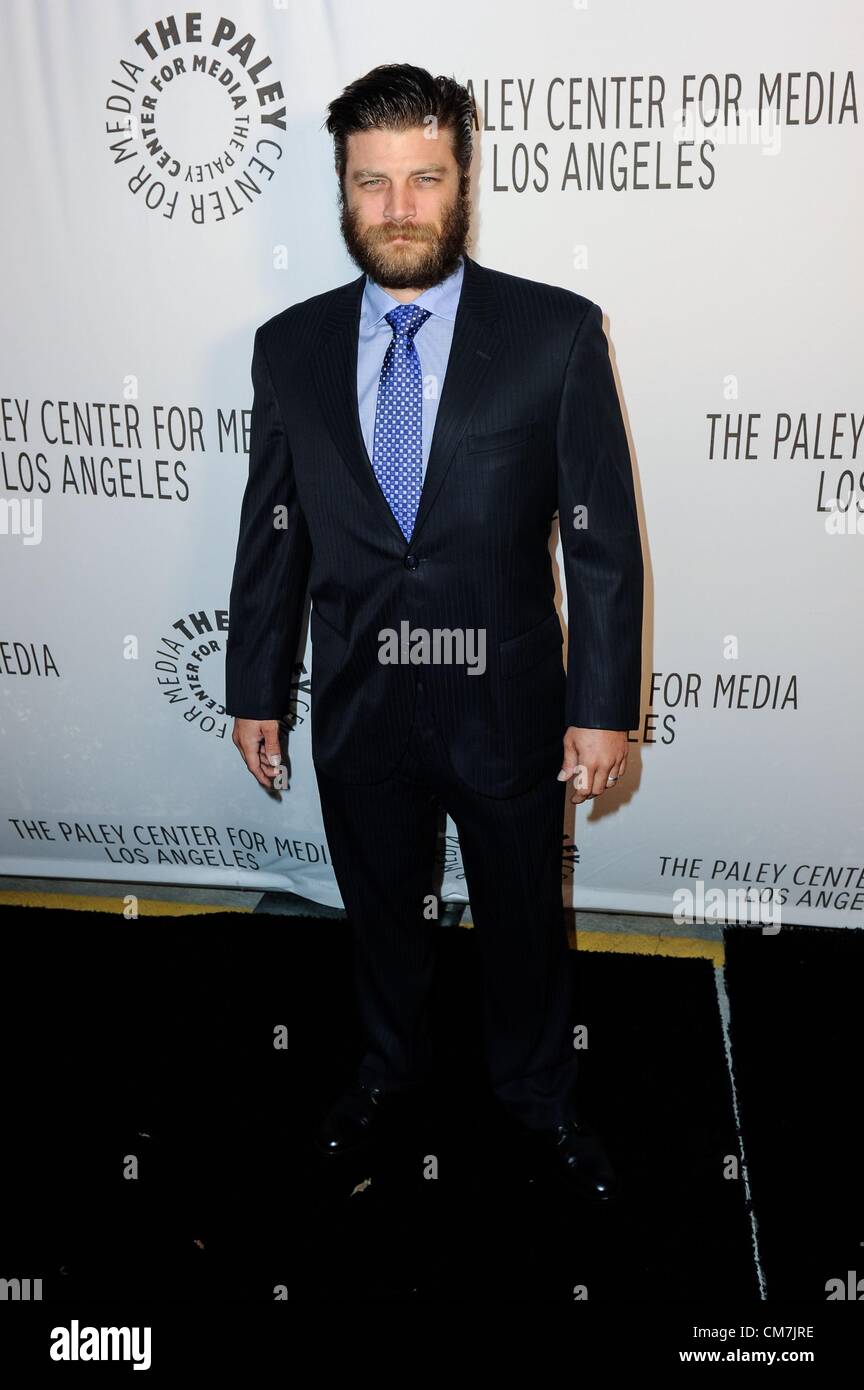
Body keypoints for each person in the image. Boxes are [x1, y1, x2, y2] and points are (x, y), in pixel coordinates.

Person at [225, 63, 643, 1201]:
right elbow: (274, 532)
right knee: (382, 914)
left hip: (505, 701)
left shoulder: (555, 335)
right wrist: (255, 685)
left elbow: (600, 539)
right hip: (360, 707)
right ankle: (389, 1075)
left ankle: (539, 1099)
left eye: (424, 178)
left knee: (523, 918)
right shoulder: (290, 347)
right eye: (374, 183)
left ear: (464, 183)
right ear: (343, 192)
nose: (399, 206)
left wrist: (604, 706)